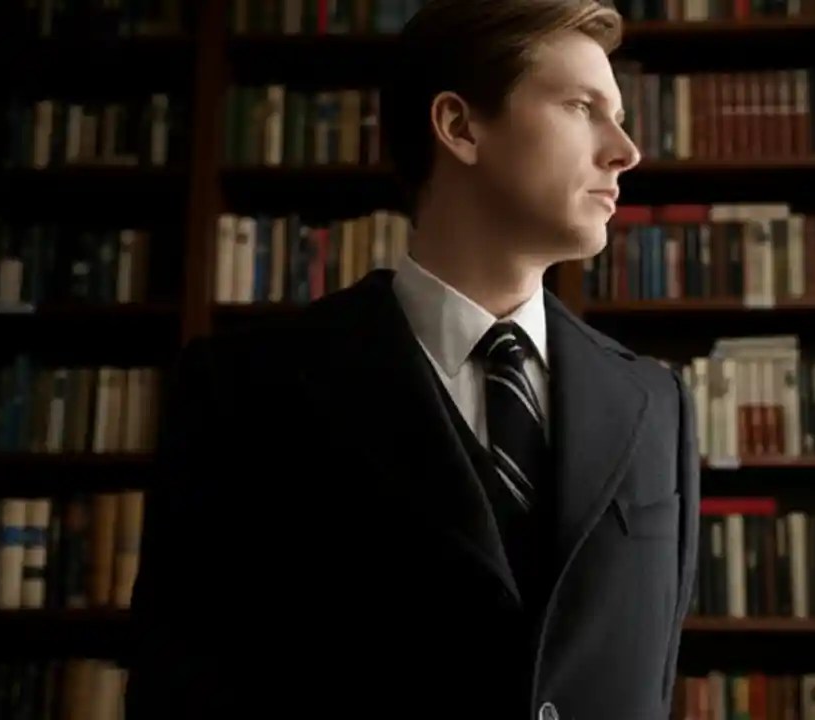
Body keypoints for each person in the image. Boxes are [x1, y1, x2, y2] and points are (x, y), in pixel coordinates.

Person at [125, 1, 700, 718]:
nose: (625, 150)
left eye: (619, 116)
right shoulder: (244, 390)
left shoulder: (656, 403)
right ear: (460, 127)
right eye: (583, 107)